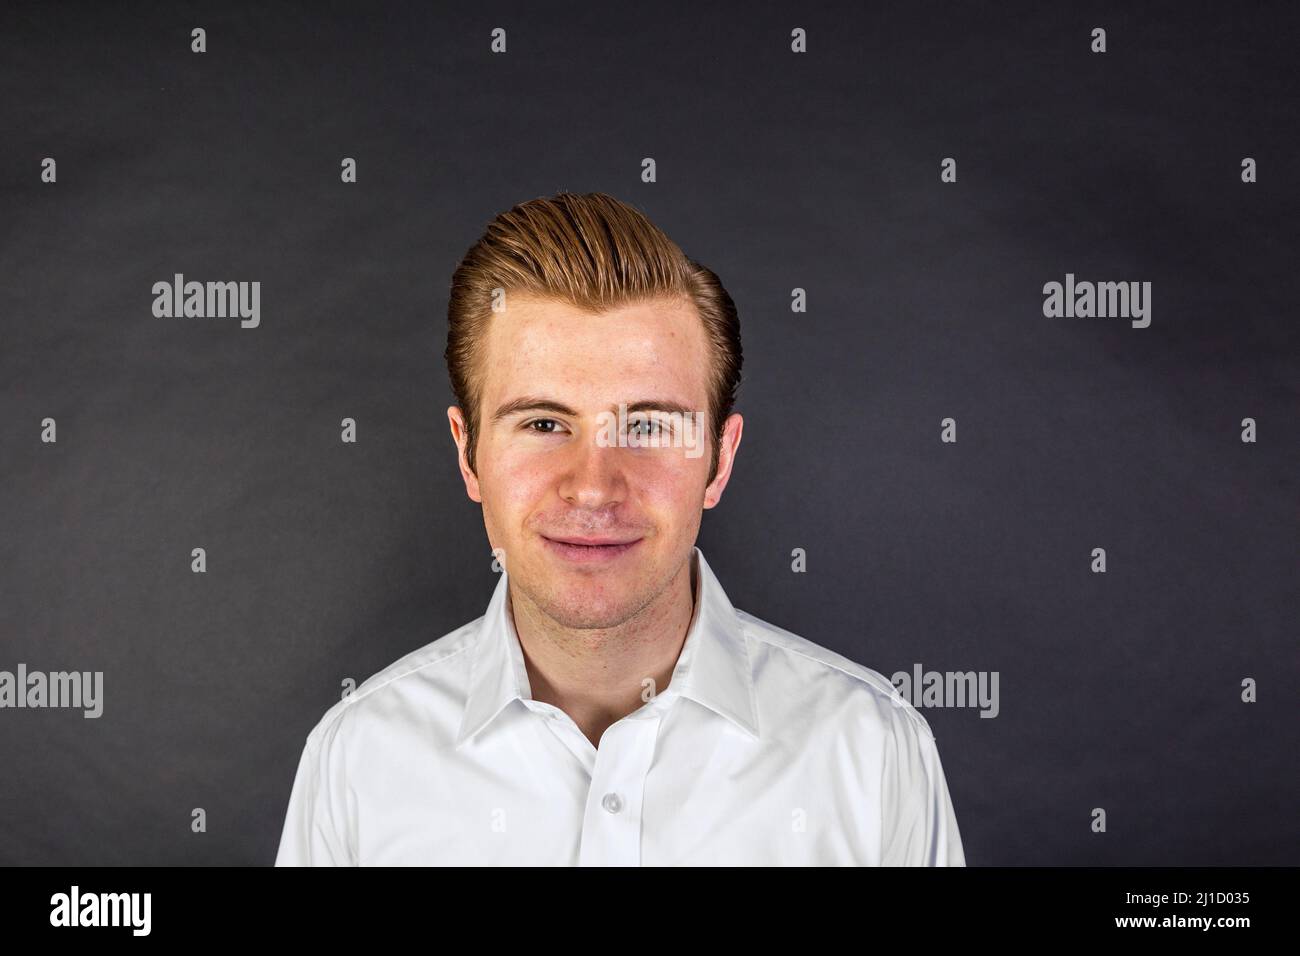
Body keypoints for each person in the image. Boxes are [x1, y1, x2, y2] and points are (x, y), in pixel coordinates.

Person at [275, 191, 966, 866]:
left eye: (647, 425)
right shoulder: (357, 763)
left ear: (720, 460)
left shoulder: (874, 755)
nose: (594, 486)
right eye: (544, 423)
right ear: (468, 454)